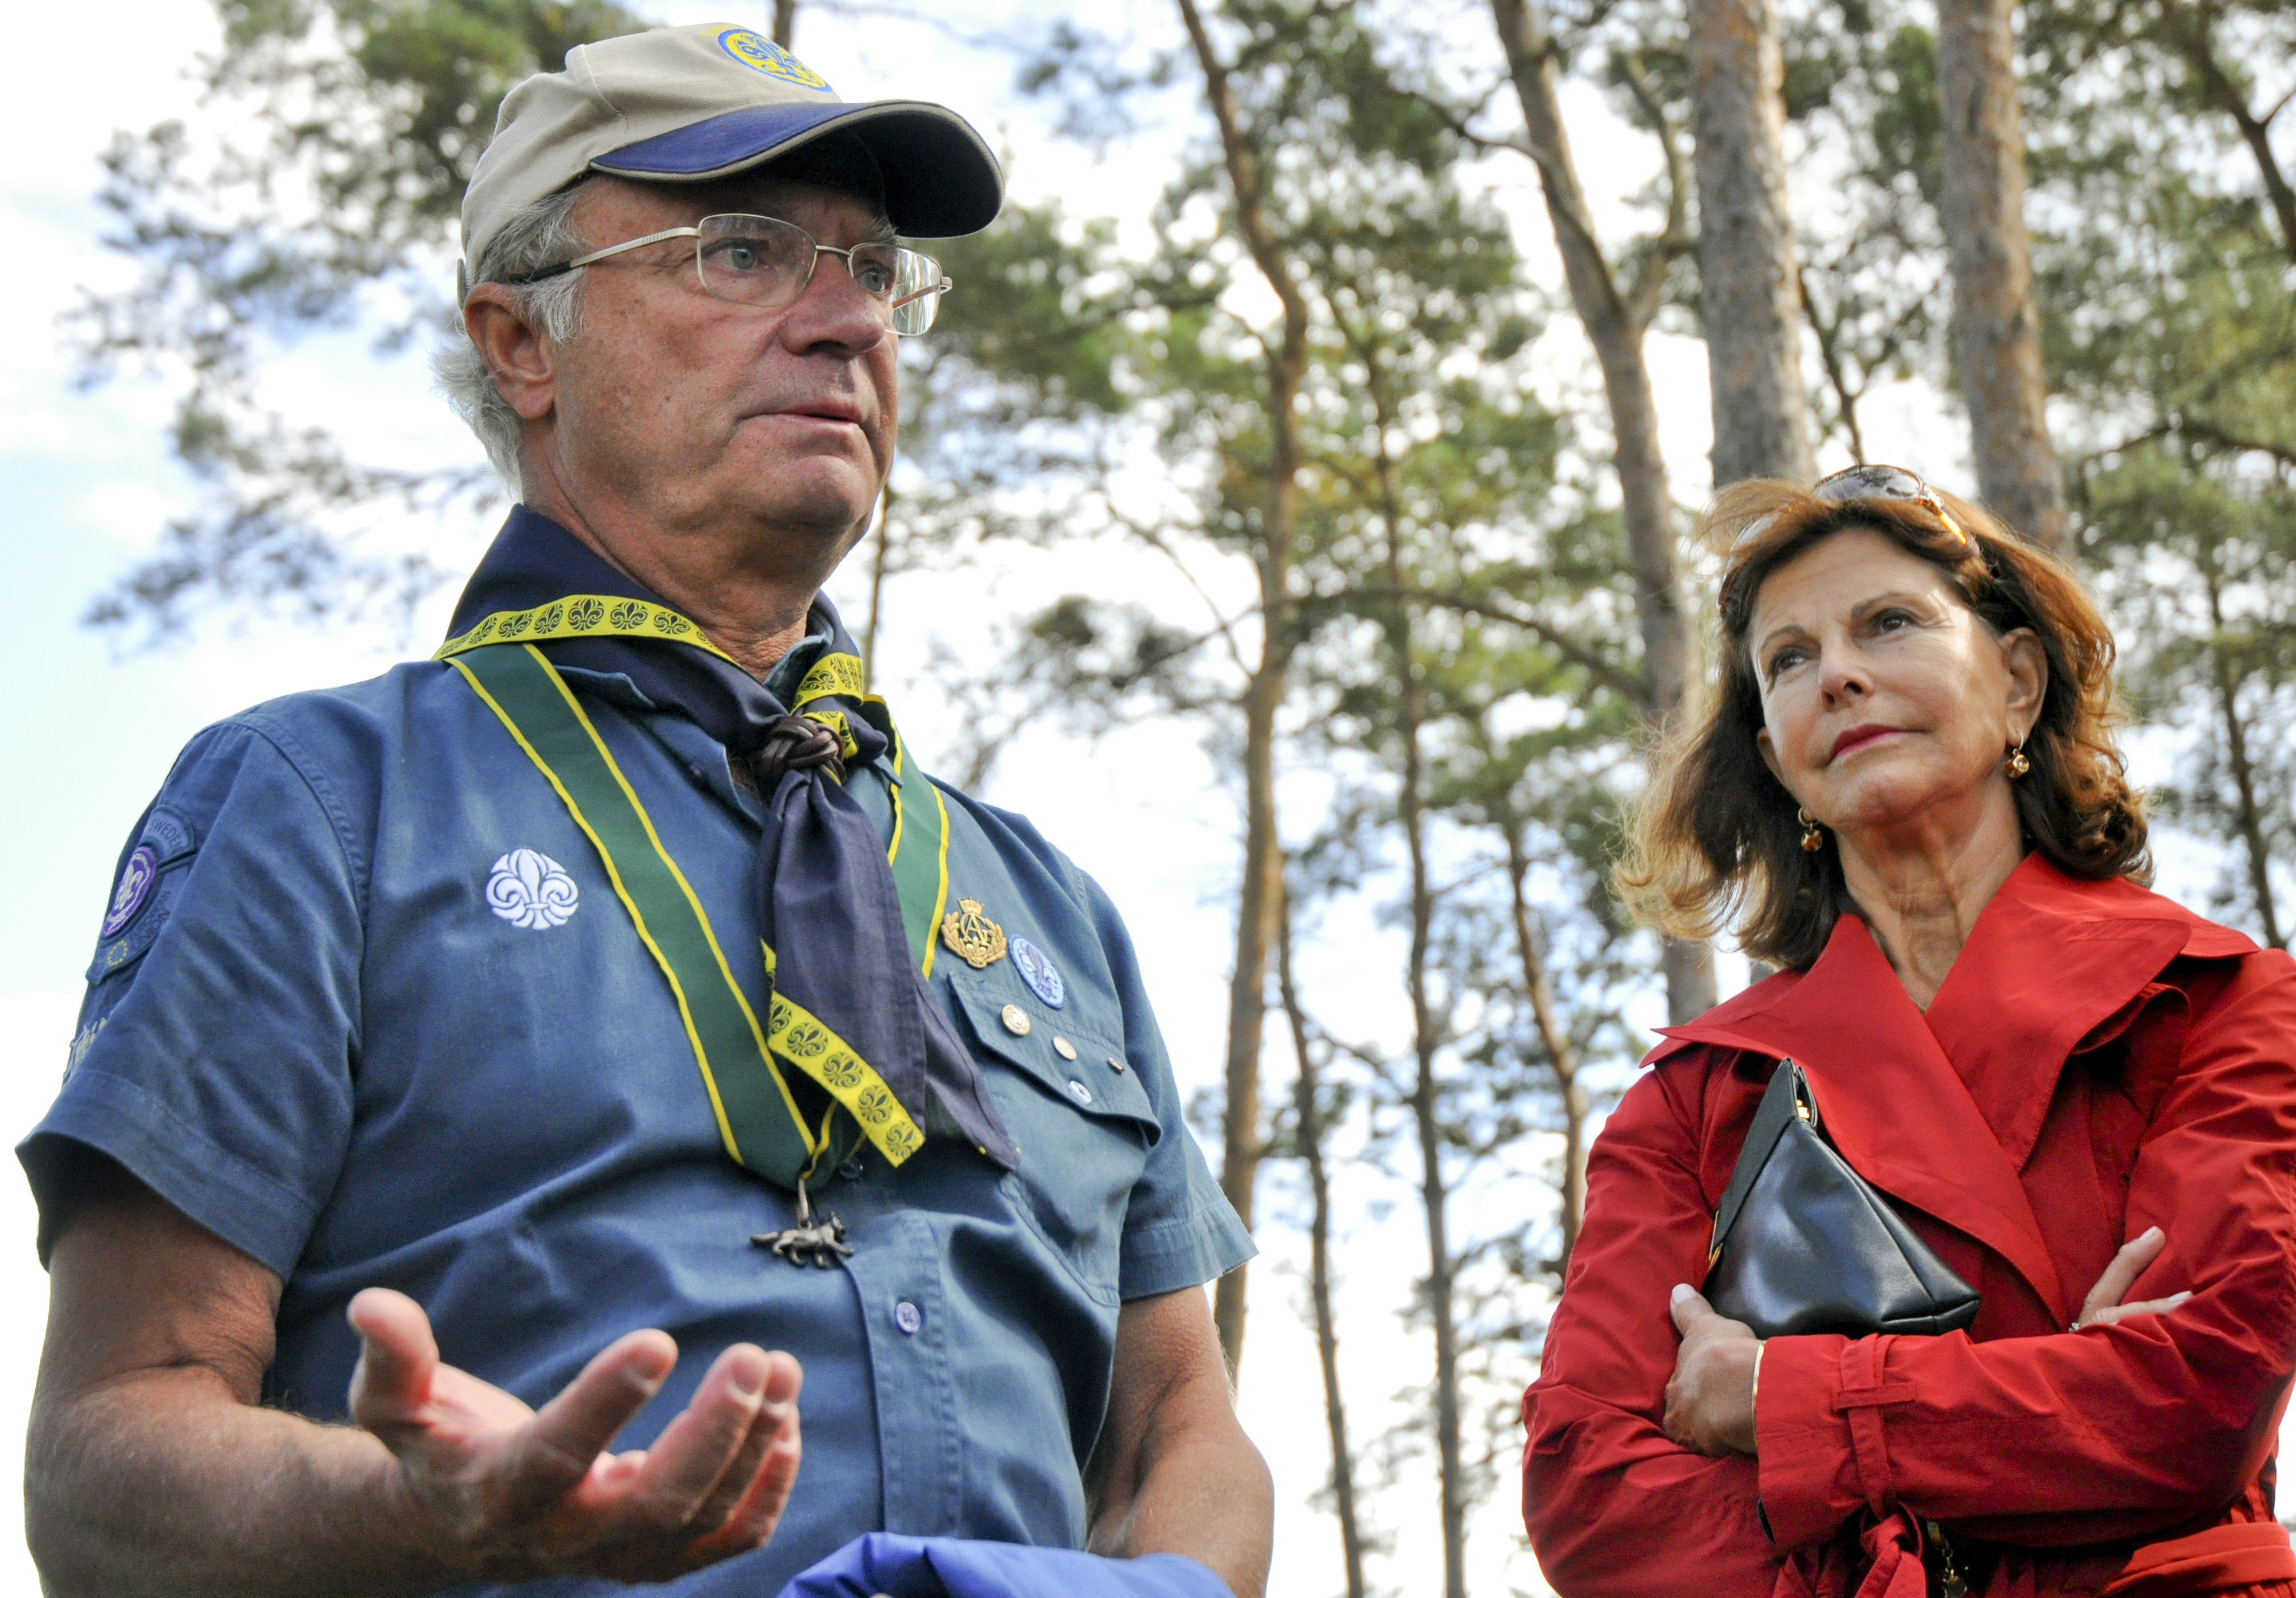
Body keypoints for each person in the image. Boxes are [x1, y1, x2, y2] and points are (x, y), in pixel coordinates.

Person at [21, 24, 1271, 1598]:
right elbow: (103, 1459)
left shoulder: (1046, 903)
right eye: (743, 251)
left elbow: (1178, 1431)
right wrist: (421, 1514)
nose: (845, 321)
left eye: (873, 270)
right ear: (520, 344)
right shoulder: (320, 807)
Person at [1521, 467, 2296, 1596]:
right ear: (1776, 755)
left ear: (2017, 683)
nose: (1836, 673)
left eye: (1888, 623)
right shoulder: (1697, 1093)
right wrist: (2040, 1420)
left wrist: (1778, 1405)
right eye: (1788, 660)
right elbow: (1586, 1491)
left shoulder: (2217, 1000)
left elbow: (2193, 1402)